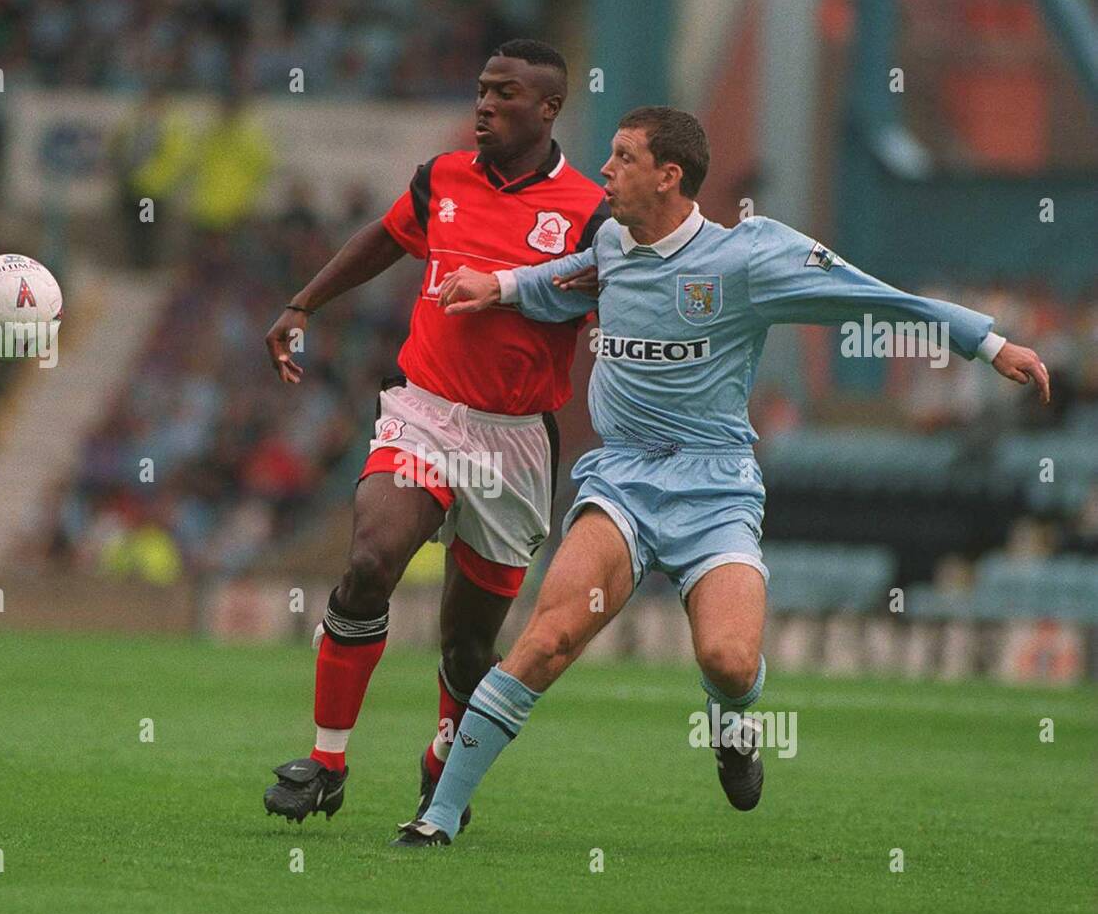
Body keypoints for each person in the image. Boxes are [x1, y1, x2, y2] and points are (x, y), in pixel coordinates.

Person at [395, 105, 1050, 846]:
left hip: (715, 490)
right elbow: (566, 278)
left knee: (729, 659)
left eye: (621, 158)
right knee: (544, 642)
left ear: (668, 175)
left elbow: (872, 297)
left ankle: (733, 725)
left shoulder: (751, 257)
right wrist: (503, 289)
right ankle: (437, 817)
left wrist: (988, 343)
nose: (603, 171)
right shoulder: (612, 241)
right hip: (622, 478)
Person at [262, 40, 608, 827]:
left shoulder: (591, 213)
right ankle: (324, 761)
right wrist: (301, 304)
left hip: (515, 440)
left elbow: (616, 314)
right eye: (482, 90)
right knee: (369, 560)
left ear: (549, 109)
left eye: (506, 94)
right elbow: (384, 239)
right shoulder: (441, 176)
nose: (485, 104)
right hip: (423, 408)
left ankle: (442, 757)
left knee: (466, 647)